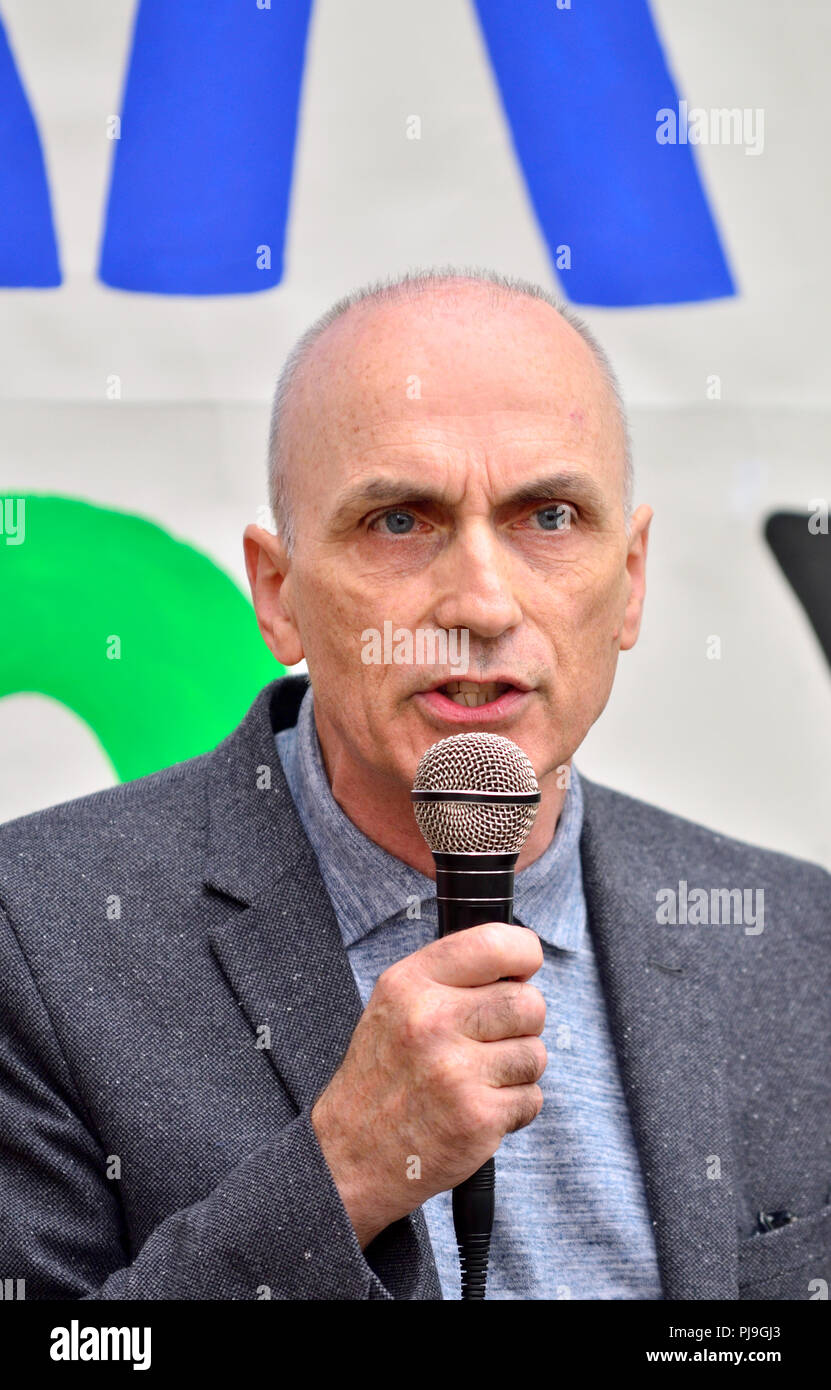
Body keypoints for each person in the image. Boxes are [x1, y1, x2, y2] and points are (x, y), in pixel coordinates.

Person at [0, 268, 828, 1301]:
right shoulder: (34, 930)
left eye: (551, 517)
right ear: (278, 593)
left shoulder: (801, 941)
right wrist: (339, 1172)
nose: (481, 601)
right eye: (399, 522)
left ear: (633, 580)